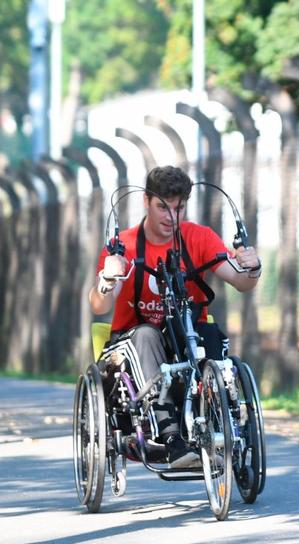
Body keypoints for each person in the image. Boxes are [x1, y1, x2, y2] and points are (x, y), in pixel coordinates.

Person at [90, 166, 262, 468]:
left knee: (210, 335)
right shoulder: (124, 246)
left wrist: (253, 268)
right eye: (162, 207)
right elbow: (99, 305)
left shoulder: (199, 238)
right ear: (146, 201)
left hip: (184, 335)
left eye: (178, 208)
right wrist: (108, 278)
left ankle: (223, 422)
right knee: (147, 334)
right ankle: (169, 435)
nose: (171, 217)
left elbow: (240, 281)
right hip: (136, 344)